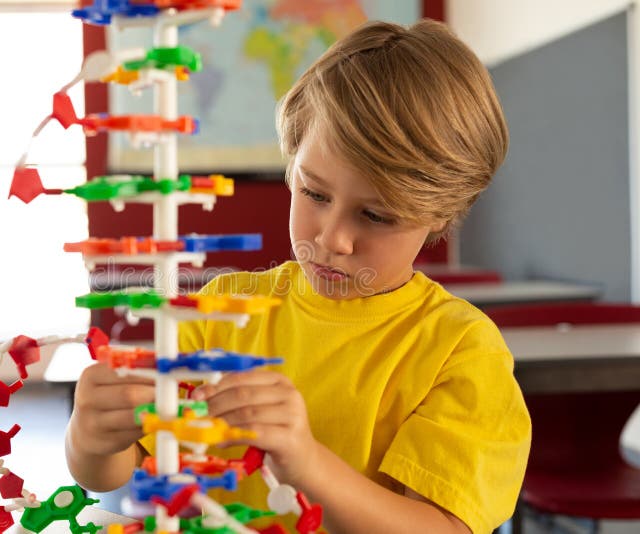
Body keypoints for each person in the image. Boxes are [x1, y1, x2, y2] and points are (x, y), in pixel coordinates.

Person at [65, 19, 531, 534]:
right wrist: (91, 436)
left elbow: (443, 528)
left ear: (440, 214)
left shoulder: (459, 352)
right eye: (314, 193)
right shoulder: (224, 310)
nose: (333, 239)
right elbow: (112, 469)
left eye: (376, 216)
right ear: (292, 167)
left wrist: (307, 463)